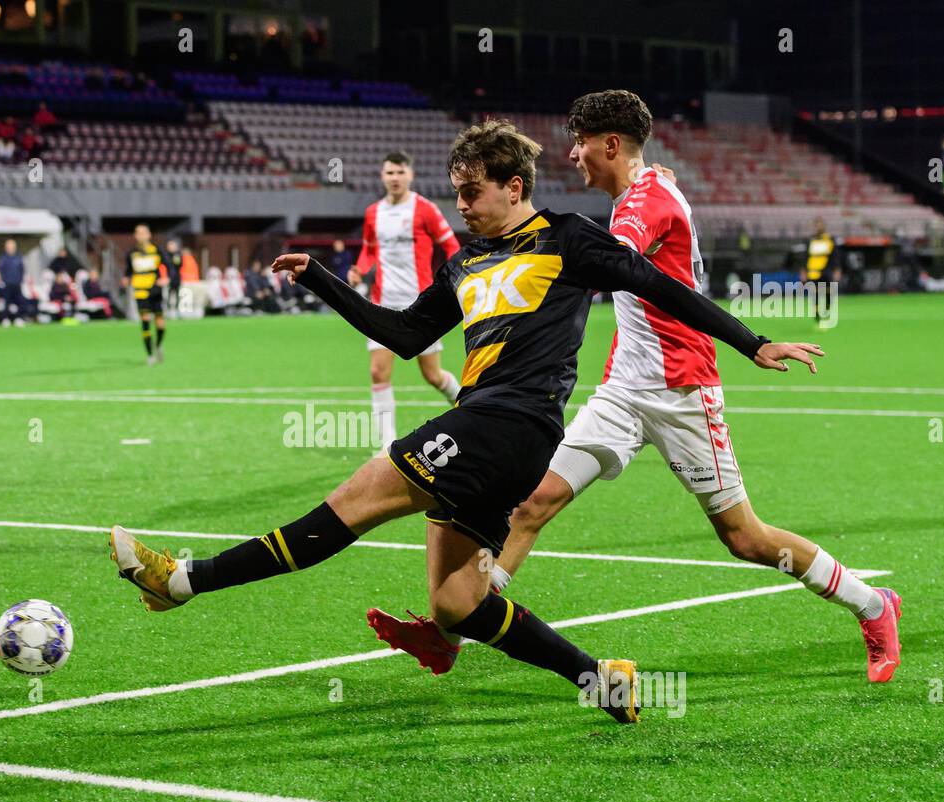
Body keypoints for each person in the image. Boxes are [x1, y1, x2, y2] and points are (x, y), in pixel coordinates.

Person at [105, 120, 820, 723]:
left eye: (472, 193)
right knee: (456, 604)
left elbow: (663, 286)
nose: (463, 206)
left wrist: (753, 342)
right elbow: (406, 334)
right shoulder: (466, 262)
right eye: (456, 194)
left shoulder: (569, 237)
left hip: (513, 424)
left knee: (354, 501)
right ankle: (600, 680)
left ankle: (183, 582)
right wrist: (320, 278)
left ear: (514, 186)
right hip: (486, 427)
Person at [483, 91, 901, 683]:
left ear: (609, 144)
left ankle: (874, 604)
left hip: (682, 392)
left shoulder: (642, 207)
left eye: (580, 143)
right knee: (531, 504)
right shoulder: (646, 188)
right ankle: (460, 624)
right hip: (622, 391)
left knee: (746, 538)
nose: (572, 155)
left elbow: (610, 257)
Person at [348, 151, 464, 448]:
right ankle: (386, 445)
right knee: (378, 372)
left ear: (410, 175)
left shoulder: (425, 209)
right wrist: (359, 270)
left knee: (432, 375)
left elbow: (451, 245)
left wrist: (455, 280)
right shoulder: (374, 212)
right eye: (389, 173)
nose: (395, 178)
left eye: (400, 172)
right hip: (383, 303)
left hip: (420, 305)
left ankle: (463, 403)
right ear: (382, 176)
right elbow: (369, 250)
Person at [120, 223, 170, 365]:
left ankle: (158, 344)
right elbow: (129, 270)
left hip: (155, 289)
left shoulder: (156, 250)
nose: (141, 235)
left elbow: (169, 265)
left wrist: (166, 278)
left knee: (160, 323)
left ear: (149, 235)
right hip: (140, 290)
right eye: (138, 233)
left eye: (144, 232)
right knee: (145, 320)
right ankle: (149, 355)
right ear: (135, 236)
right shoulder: (131, 253)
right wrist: (126, 278)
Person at [0, 239, 27, 324]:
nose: (10, 248)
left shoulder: (18, 257)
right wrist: (3, 281)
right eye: (8, 247)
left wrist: (20, 280)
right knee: (6, 302)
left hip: (17, 283)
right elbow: (1, 270)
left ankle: (19, 318)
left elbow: (22, 270)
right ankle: (5, 318)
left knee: (19, 301)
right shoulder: (3, 258)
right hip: (7, 283)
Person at [163, 238, 184, 318]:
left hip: (177, 278)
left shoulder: (178, 254)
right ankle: (168, 312)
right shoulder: (166, 255)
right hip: (169, 278)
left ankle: (178, 312)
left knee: (178, 295)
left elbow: (179, 264)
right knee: (168, 295)